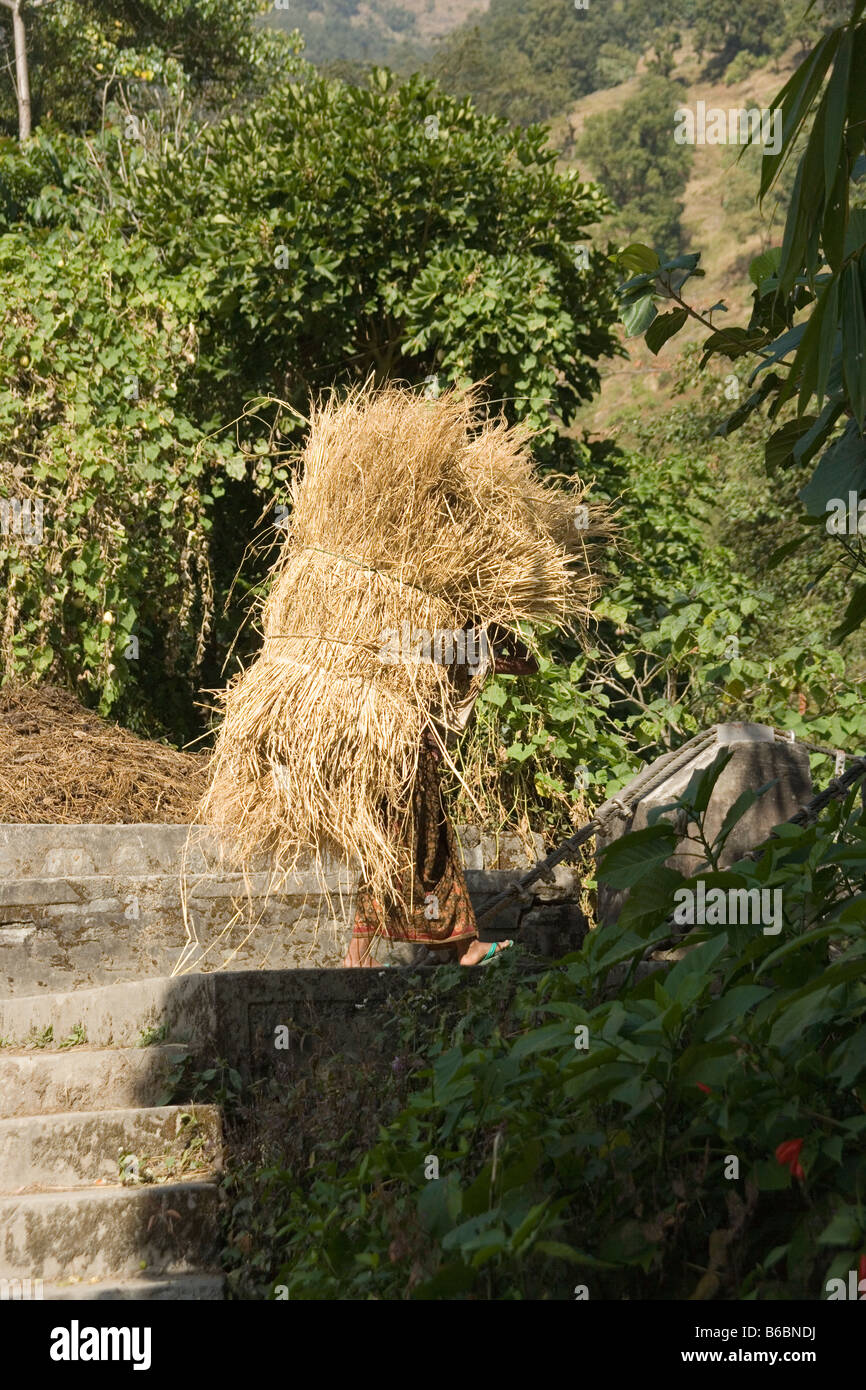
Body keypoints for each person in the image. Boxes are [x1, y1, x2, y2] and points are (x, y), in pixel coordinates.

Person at [343, 627, 538, 967]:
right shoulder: (440, 644)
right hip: (408, 762)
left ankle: (464, 947)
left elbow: (525, 664)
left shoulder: (453, 646)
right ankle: (357, 956)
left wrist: (492, 629)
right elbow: (525, 661)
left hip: (404, 761)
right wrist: (498, 630)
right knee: (398, 855)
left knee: (433, 855)